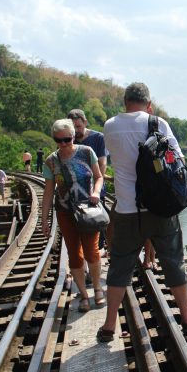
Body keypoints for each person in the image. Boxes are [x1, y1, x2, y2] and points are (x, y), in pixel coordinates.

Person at [98, 82, 187, 342]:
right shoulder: (158, 123)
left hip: (126, 211)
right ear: (149, 104)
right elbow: (179, 161)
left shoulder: (110, 126)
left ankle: (109, 326)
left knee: (120, 266)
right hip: (161, 210)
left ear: (125, 102)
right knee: (173, 261)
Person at [40, 119, 106, 312]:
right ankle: (84, 295)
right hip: (65, 212)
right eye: (58, 140)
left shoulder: (86, 152)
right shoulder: (51, 161)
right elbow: (48, 193)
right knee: (74, 255)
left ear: (73, 136)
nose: (63, 144)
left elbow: (99, 176)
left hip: (87, 210)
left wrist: (96, 191)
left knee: (92, 251)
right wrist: (44, 220)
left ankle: (97, 288)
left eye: (67, 139)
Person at [68, 108, 109, 255]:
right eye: (72, 127)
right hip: (74, 190)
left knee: (96, 222)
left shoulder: (98, 138)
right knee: (77, 224)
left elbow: (103, 163)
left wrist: (96, 184)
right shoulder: (67, 139)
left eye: (78, 126)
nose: (75, 130)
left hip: (94, 188)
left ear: (85, 122)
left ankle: (97, 251)